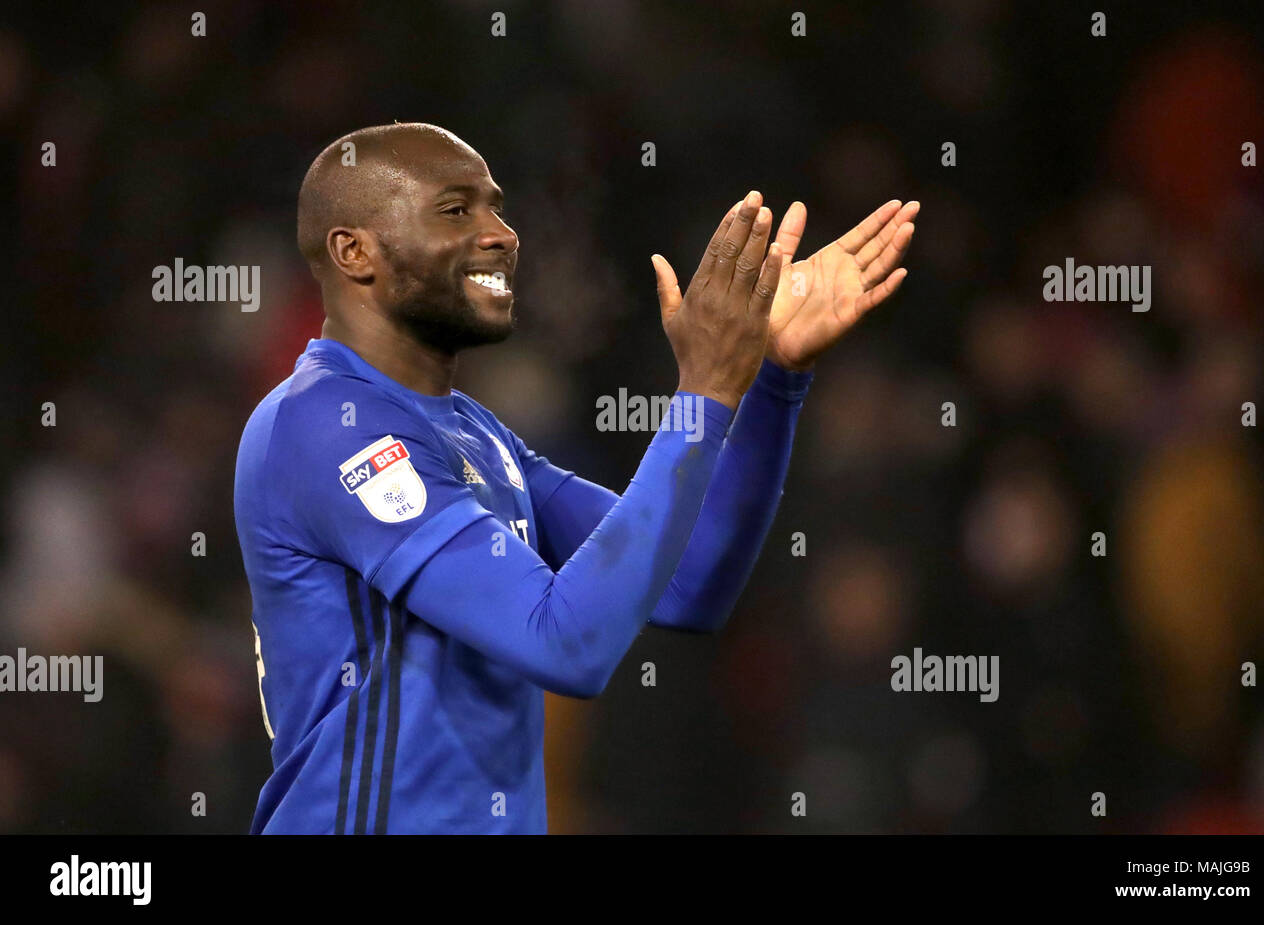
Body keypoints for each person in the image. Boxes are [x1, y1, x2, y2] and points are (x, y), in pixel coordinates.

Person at [234, 122, 917, 833]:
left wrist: (770, 377)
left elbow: (689, 584)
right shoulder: (324, 423)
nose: (503, 233)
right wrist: (704, 394)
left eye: (496, 206)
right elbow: (565, 643)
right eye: (456, 209)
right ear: (354, 251)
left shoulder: (475, 433)